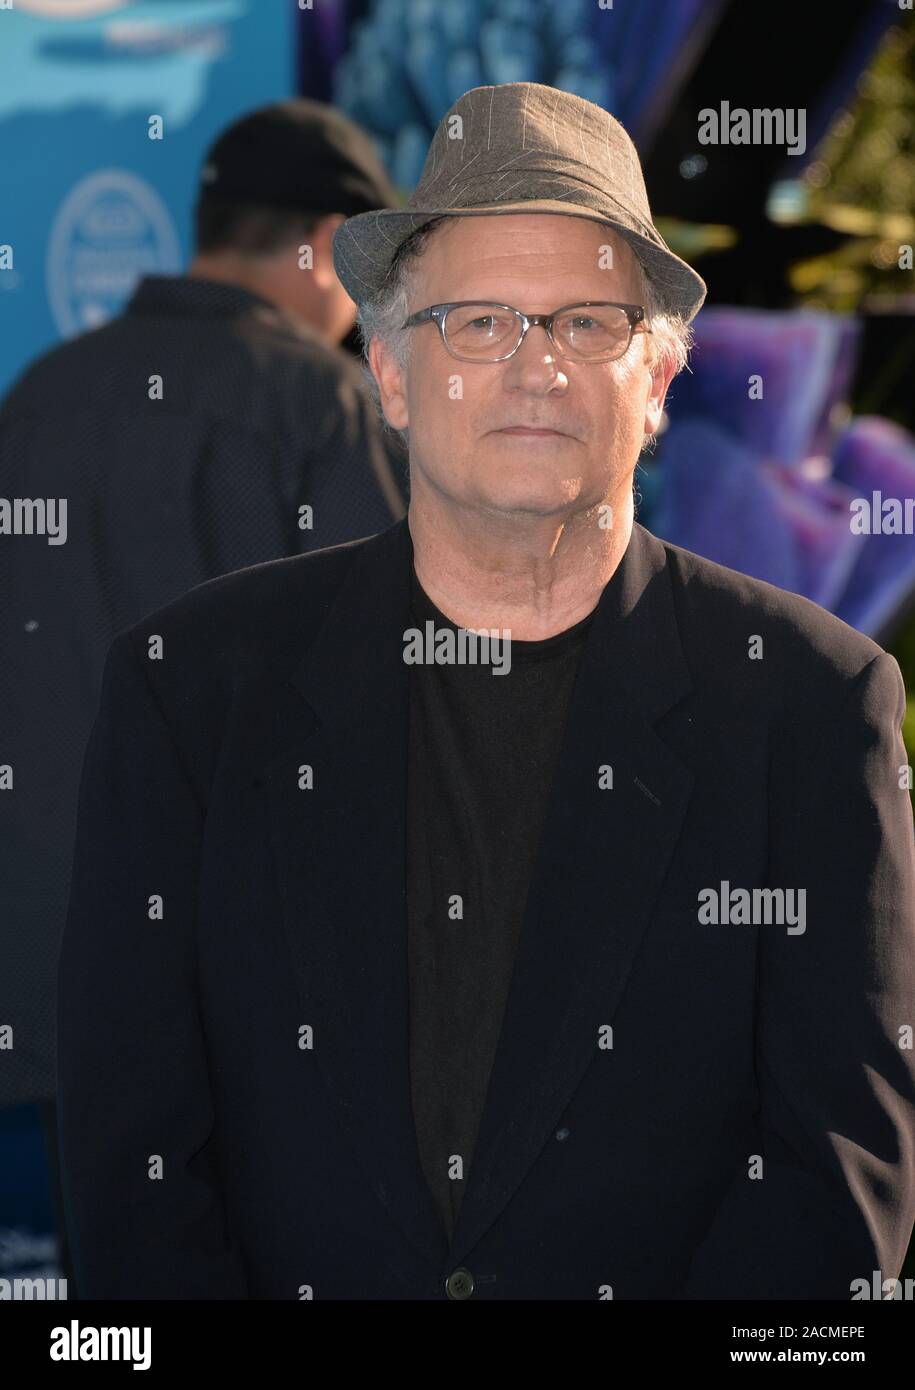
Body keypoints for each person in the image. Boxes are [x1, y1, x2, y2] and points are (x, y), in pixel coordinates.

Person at [57, 82, 915, 1301]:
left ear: (659, 380)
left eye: (586, 324)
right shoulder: (191, 691)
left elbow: (837, 1166)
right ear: (391, 376)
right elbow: (133, 1147)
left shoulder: (814, 706)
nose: (535, 369)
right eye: (477, 324)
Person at [0, 100, 407, 1279]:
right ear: (325, 245)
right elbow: (392, 710)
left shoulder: (37, 395)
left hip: (25, 993)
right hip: (215, 1021)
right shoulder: (319, 406)